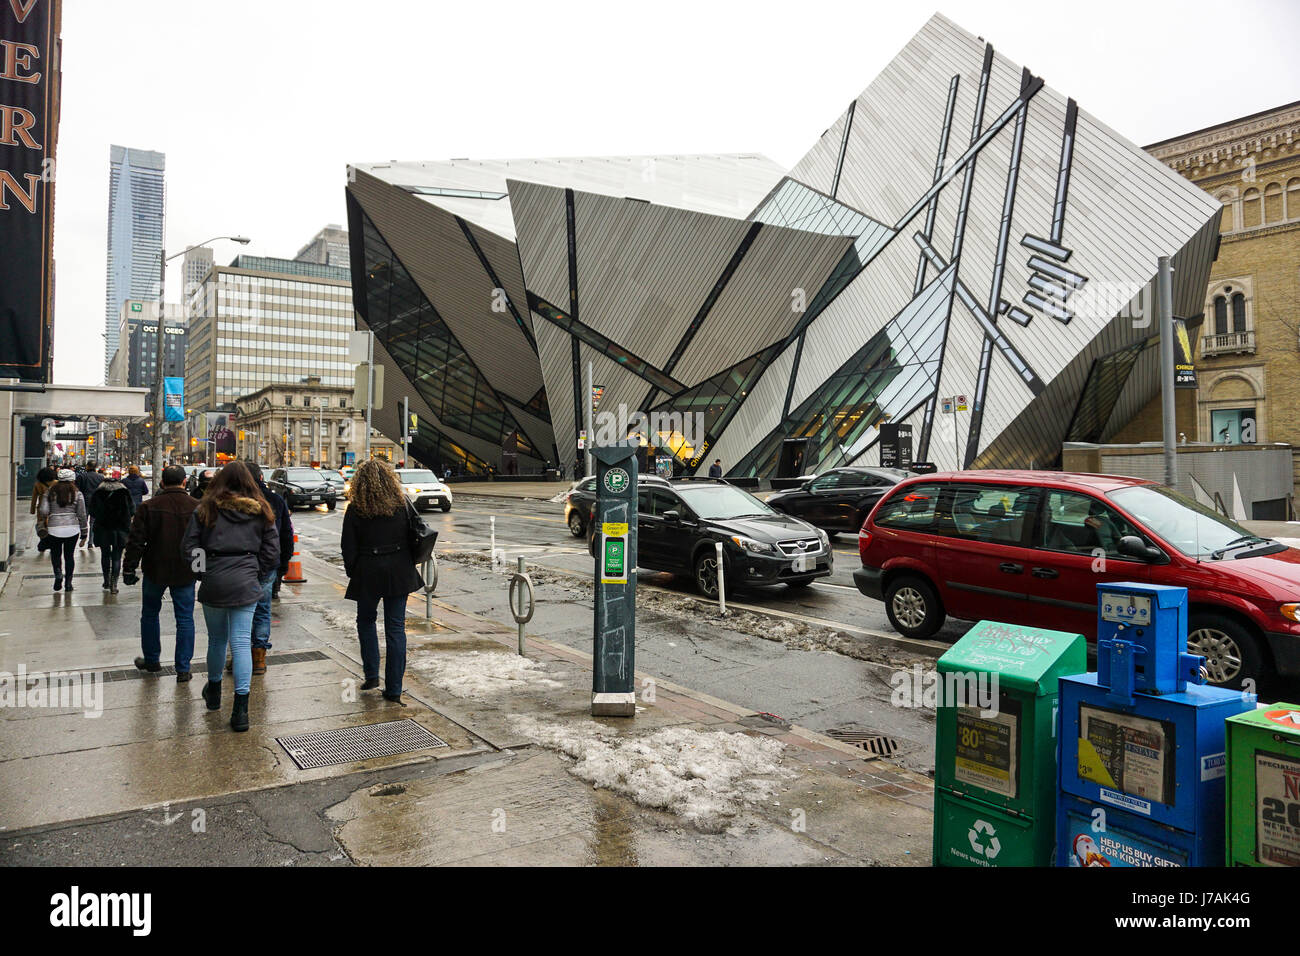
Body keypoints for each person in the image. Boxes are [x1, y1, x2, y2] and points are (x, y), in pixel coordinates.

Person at [182, 460, 279, 732]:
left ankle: (214, 691)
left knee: (216, 640)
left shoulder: (205, 510)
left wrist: (203, 573)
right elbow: (272, 552)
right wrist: (256, 574)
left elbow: (190, 547)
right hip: (246, 580)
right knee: (240, 642)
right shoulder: (261, 511)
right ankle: (240, 710)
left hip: (214, 578)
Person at [341, 458, 424, 703]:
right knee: (395, 628)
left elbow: (348, 547)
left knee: (365, 620)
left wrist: (353, 571)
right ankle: (394, 688)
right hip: (399, 571)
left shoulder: (356, 509)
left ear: (360, 483)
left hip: (367, 570)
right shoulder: (401, 504)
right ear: (389, 480)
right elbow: (415, 535)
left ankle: (371, 673)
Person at [122, 465, 200, 681]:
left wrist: (129, 567)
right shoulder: (197, 507)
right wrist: (200, 568)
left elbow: (135, 540)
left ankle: (152, 659)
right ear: (185, 482)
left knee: (149, 614)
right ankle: (183, 668)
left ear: (162, 483)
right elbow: (203, 542)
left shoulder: (149, 507)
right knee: (185, 618)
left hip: (155, 568)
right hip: (186, 571)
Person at [245, 462, 293, 675]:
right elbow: (286, 534)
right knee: (262, 610)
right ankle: (259, 658)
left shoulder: (231, 500)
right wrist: (284, 564)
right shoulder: (274, 499)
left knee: (239, 612)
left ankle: (240, 655)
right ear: (261, 478)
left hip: (240, 565)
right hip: (267, 564)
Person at [38, 469, 87, 590]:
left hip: (54, 528)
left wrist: (48, 516)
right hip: (72, 528)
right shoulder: (77, 494)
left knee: (56, 554)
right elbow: (82, 514)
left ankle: (58, 574)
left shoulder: (49, 492)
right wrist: (84, 532)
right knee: (69, 556)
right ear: (72, 480)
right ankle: (69, 583)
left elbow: (43, 511)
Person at [88, 472, 135, 593]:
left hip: (103, 528)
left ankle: (106, 581)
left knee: (105, 555)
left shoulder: (98, 493)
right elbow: (132, 510)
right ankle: (114, 584)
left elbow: (92, 511)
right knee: (117, 557)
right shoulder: (124, 493)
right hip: (120, 529)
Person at [76, 461, 105, 549]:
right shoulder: (100, 477)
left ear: (87, 466)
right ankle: (90, 542)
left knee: (83, 520)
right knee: (93, 522)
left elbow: (77, 489)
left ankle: (83, 536)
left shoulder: (81, 476)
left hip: (84, 501)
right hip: (96, 502)